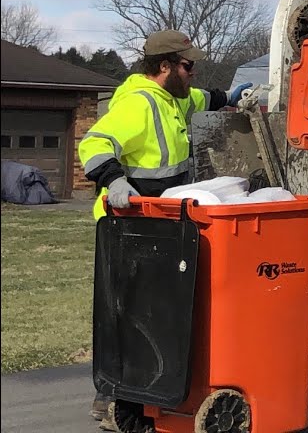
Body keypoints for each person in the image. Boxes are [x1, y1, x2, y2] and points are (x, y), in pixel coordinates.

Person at [79, 30, 250, 422]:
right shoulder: (139, 103)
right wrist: (113, 180)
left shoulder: (175, 98)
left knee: (154, 316)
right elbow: (94, 143)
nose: (193, 73)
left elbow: (203, 98)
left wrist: (232, 96)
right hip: (127, 225)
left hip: (158, 225)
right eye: (188, 66)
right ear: (164, 66)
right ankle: (111, 399)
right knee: (130, 316)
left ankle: (143, 398)